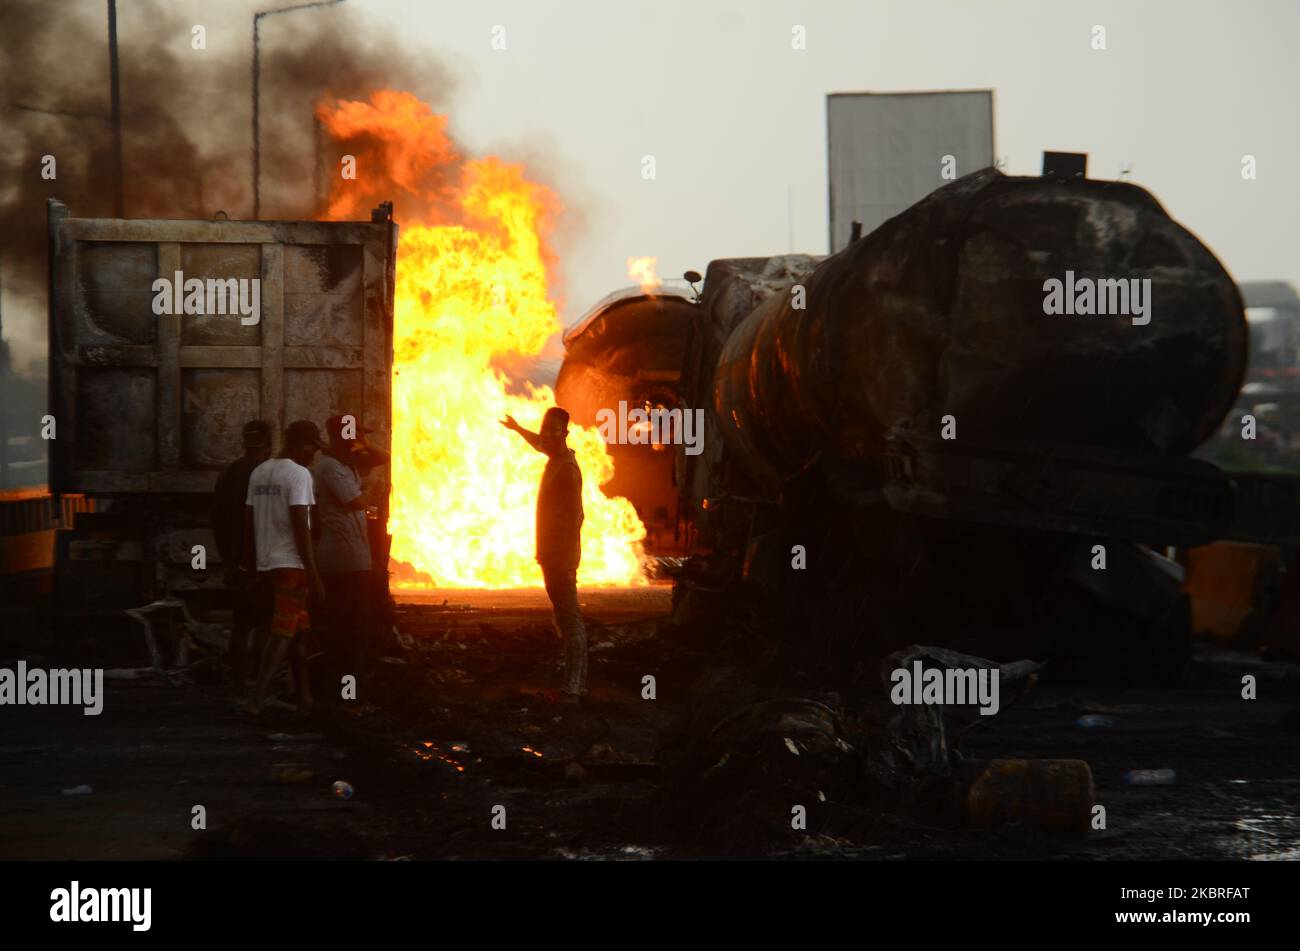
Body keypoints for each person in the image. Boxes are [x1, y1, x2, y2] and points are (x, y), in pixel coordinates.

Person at [242, 419, 328, 715]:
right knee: (283, 632)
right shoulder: (299, 474)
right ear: (299, 445)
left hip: (268, 565)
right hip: (292, 566)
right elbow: (301, 527)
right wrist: (314, 574)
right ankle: (257, 698)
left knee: (300, 632)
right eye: (312, 448)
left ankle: (304, 697)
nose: (314, 455)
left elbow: (248, 523)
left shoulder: (260, 472)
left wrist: (252, 567)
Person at [501, 407, 588, 702]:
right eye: (545, 428)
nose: (547, 434)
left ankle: (573, 688)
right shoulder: (554, 457)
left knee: (569, 619)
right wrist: (517, 428)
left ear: (565, 433)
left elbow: (575, 517)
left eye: (554, 429)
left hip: (560, 559)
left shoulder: (568, 470)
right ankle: (575, 683)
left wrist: (563, 560)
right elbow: (538, 442)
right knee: (565, 618)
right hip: (551, 556)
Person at [313, 414, 389, 701]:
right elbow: (356, 501)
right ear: (343, 435)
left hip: (357, 560)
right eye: (355, 433)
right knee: (345, 633)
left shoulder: (349, 464)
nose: (359, 438)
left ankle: (349, 695)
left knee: (356, 632)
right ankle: (340, 696)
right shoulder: (330, 467)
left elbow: (383, 457)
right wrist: (371, 491)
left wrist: (363, 442)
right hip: (341, 561)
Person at [211, 420, 273, 698]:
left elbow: (217, 520)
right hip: (261, 561)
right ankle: (259, 686)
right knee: (263, 623)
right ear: (269, 445)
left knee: (241, 624)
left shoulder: (228, 474)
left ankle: (238, 686)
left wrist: (230, 559)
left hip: (237, 561)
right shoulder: (267, 475)